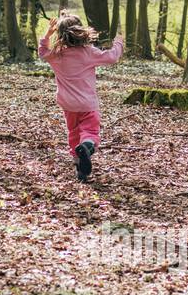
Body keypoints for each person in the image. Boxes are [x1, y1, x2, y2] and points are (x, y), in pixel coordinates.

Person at [38, 12, 124, 182]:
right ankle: (87, 146)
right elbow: (112, 57)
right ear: (80, 31)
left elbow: (42, 52)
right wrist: (119, 42)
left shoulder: (56, 54)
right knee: (90, 131)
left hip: (67, 104)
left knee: (73, 132)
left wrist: (47, 34)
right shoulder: (87, 52)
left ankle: (80, 168)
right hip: (87, 103)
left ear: (60, 34)